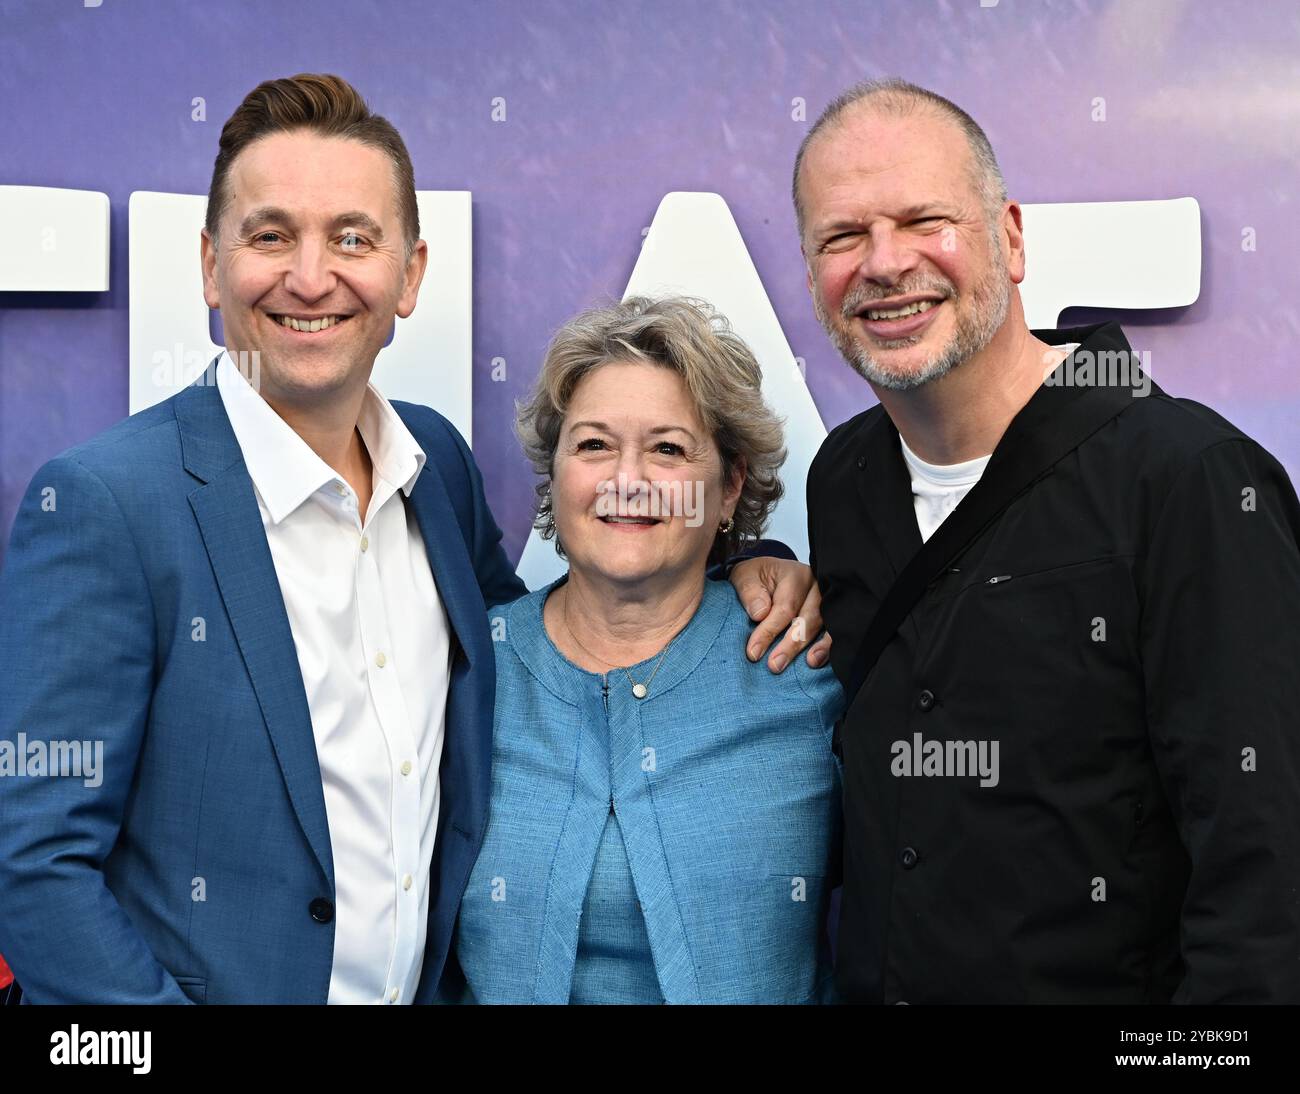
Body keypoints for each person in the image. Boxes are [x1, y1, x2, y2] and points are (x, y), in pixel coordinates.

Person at [0, 74, 824, 1005]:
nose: (311, 277)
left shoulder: (434, 465)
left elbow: (568, 631)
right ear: (208, 266)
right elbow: (31, 864)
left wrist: (753, 562)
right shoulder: (108, 502)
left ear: (411, 273)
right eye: (271, 235)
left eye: (353, 237)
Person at [795, 78, 1300, 1003]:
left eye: (924, 220)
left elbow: (1269, 879)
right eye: (842, 237)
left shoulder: (1191, 481)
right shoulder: (843, 478)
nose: (884, 263)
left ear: (1012, 237)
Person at [448, 296, 844, 1004]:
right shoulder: (466, 677)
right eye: (594, 445)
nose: (626, 480)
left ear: (729, 489)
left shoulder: (806, 670)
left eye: (668, 449)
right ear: (555, 478)